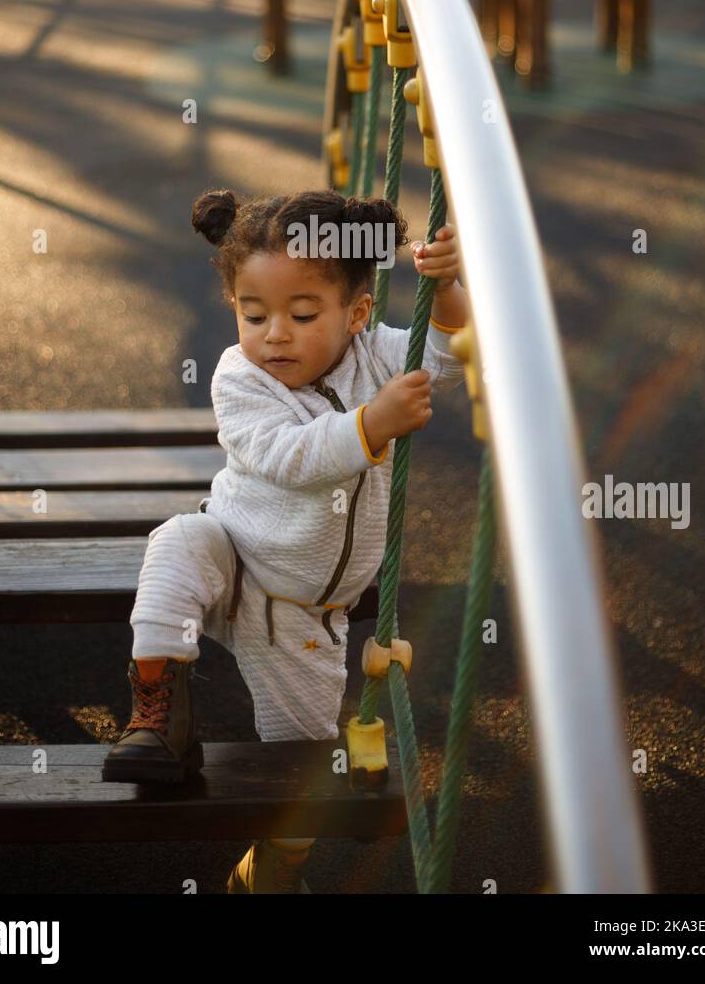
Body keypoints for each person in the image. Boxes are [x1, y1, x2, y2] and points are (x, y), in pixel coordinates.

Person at [102, 187, 469, 892]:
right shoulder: (238, 378)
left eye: (302, 315)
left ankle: (273, 863)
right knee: (177, 540)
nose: (275, 333)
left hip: (302, 613)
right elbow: (288, 457)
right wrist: (373, 425)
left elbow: (452, 353)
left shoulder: (376, 356)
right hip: (235, 555)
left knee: (305, 769)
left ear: (357, 315)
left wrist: (447, 287)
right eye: (254, 313)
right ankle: (155, 711)